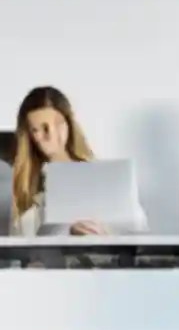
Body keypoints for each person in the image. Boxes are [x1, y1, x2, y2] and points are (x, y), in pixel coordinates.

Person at [10, 86, 144, 236]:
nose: (50, 134)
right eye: (38, 129)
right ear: (29, 135)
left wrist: (105, 235)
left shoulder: (104, 178)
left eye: (57, 124)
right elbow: (20, 244)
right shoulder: (25, 190)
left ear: (69, 124)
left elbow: (138, 232)